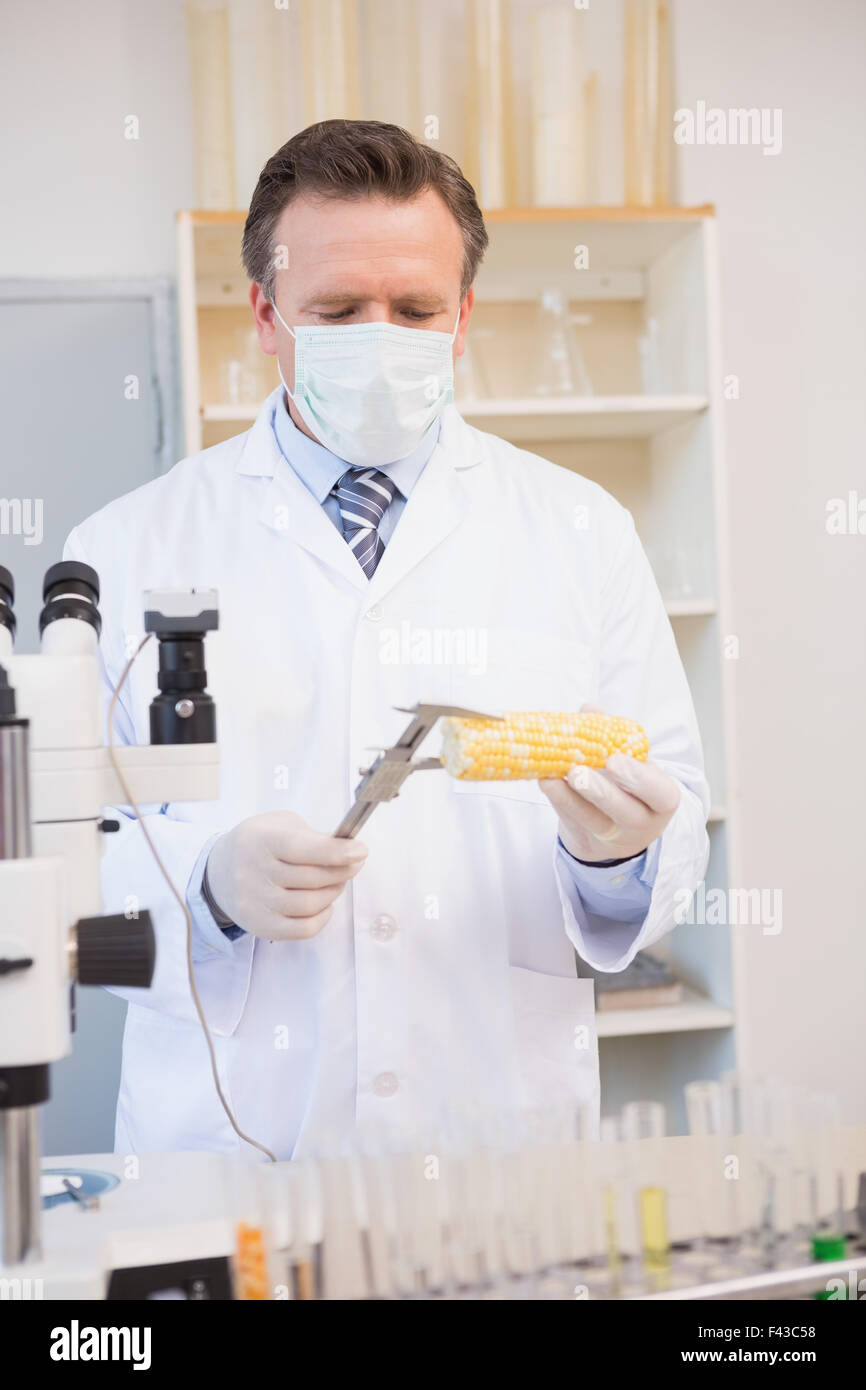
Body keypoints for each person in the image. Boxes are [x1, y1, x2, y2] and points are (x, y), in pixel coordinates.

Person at [64, 120, 709, 1159]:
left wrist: (619, 854)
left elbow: (672, 810)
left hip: (492, 1139)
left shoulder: (579, 529)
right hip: (234, 1145)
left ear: (460, 317)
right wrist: (208, 885)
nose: (380, 337)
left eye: (414, 309)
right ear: (265, 315)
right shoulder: (126, 546)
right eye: (336, 309)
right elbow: (58, 864)